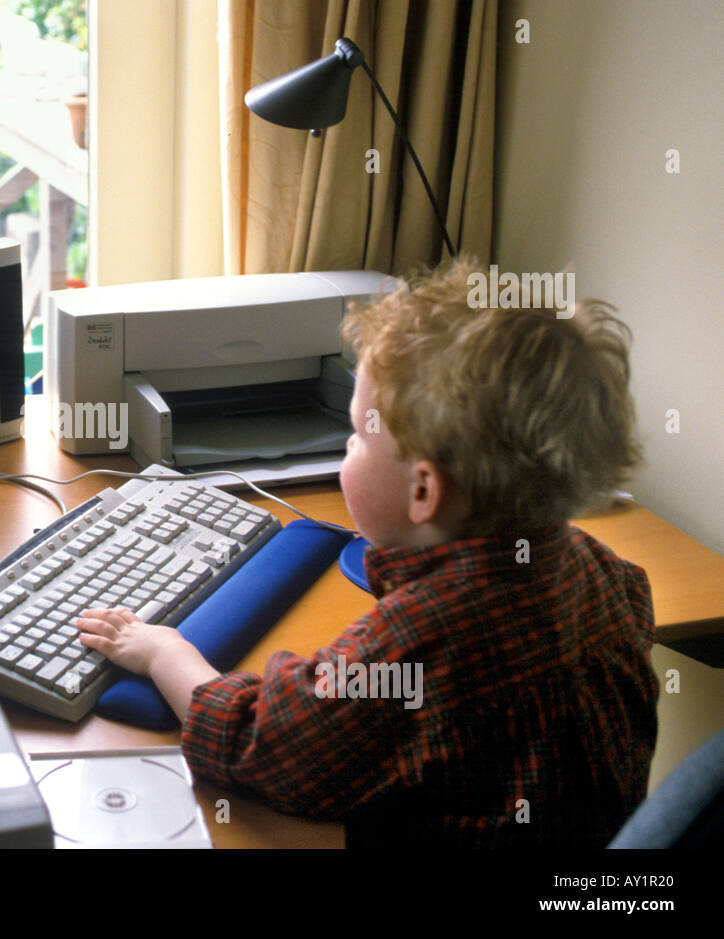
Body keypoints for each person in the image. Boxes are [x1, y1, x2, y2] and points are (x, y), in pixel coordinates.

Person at [77, 259, 659, 846]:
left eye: (356, 434)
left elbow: (260, 746)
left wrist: (164, 653)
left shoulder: (423, 640)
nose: (347, 446)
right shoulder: (604, 572)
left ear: (424, 491)